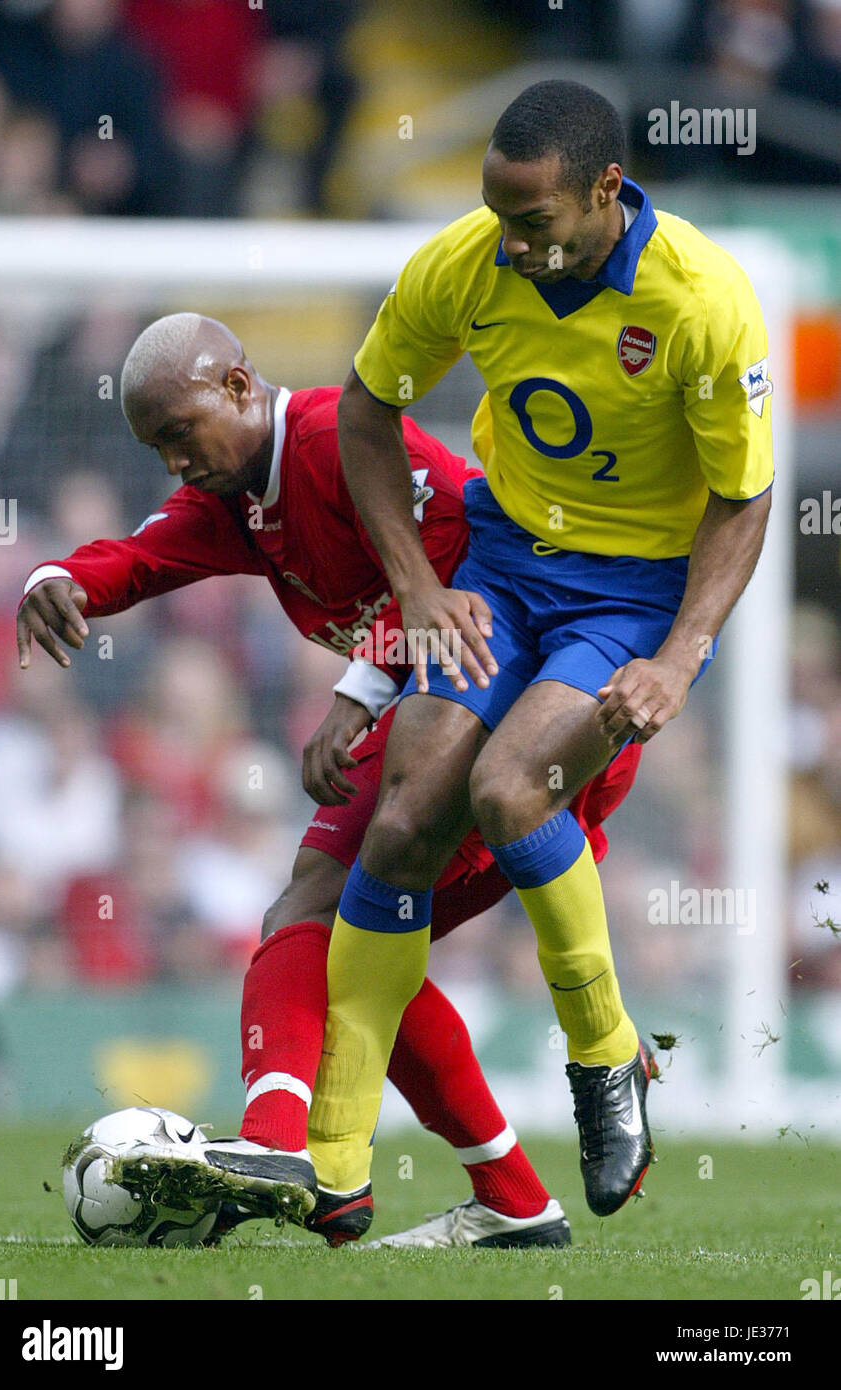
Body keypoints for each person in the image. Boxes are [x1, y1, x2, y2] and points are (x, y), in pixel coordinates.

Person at [17, 312, 640, 1247]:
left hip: (517, 712)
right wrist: (56, 576)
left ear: (237, 386)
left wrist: (358, 690)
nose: (177, 462)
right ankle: (502, 1200)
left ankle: (291, 1146)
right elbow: (143, 553)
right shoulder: (238, 493)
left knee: (313, 915)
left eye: (180, 433)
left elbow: (463, 572)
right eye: (157, 447)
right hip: (443, 716)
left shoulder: (335, 440)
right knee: (354, 944)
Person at [298, 79, 774, 1224]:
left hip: (634, 594)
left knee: (511, 790)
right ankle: (332, 1162)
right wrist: (415, 585)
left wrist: (681, 651)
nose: (511, 248)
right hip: (505, 566)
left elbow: (743, 496)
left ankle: (605, 1055)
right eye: (497, 219)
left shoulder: (701, 301)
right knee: (402, 818)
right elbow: (364, 410)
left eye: (535, 226)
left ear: (606, 192)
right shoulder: (465, 263)